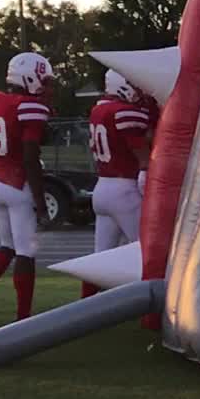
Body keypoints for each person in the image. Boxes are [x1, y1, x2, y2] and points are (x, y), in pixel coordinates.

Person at [0, 51, 54, 322]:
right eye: (43, 79)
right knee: (26, 252)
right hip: (17, 183)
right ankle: (23, 318)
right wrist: (41, 203)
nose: (46, 85)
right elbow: (30, 156)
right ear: (30, 77)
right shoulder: (29, 107)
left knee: (7, 246)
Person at [81, 69, 151, 298]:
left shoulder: (98, 110)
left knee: (99, 258)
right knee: (146, 251)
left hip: (101, 188)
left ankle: (84, 307)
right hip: (124, 189)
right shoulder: (124, 113)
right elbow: (142, 154)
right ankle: (148, 311)